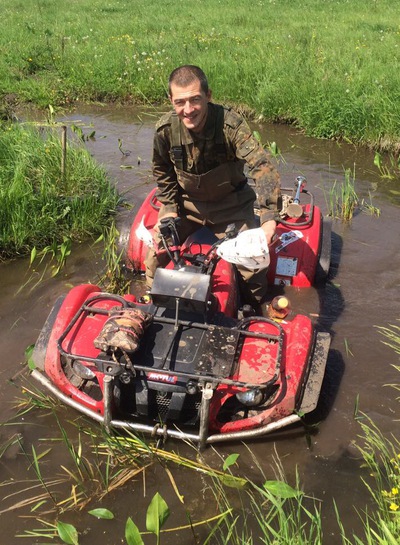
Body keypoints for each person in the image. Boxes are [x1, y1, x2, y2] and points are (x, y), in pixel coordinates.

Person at [144, 65, 281, 306]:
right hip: (186, 205)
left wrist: (269, 218)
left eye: (195, 100)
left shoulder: (230, 125)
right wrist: (169, 208)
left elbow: (262, 166)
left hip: (231, 205)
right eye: (180, 102)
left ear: (208, 96)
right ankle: (150, 303)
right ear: (171, 100)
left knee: (252, 267)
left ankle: (252, 311)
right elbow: (162, 171)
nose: (188, 110)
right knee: (158, 252)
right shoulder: (165, 130)